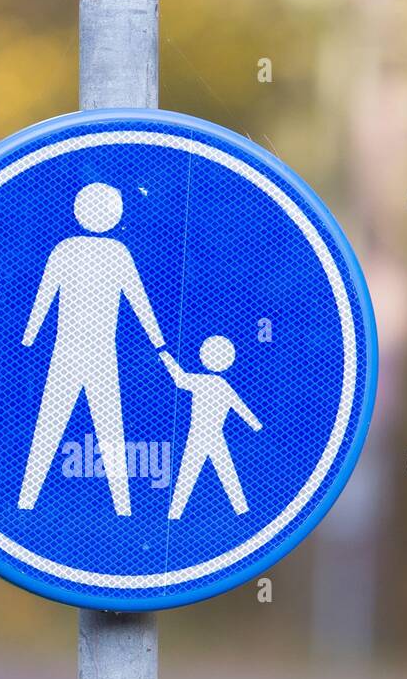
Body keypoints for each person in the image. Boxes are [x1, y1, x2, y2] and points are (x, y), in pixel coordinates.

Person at [18, 183, 163, 515]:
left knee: (67, 424)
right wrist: (158, 341)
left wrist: (30, 337)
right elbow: (139, 303)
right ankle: (121, 507)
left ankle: (30, 502)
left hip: (78, 352)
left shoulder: (69, 250)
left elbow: (44, 298)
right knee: (102, 426)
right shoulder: (109, 253)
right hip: (88, 353)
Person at [160, 337, 261, 520]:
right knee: (222, 472)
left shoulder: (205, 382)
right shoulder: (220, 384)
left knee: (191, 473)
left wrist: (165, 355)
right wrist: (255, 426)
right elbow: (240, 407)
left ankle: (175, 514)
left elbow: (179, 378)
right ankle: (241, 510)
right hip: (209, 435)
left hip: (204, 435)